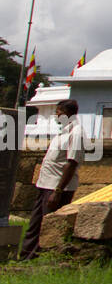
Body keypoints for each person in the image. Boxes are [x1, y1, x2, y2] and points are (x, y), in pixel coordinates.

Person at [20, 99, 85, 260]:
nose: (56, 116)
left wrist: (57, 191)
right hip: (45, 184)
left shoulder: (76, 133)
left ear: (69, 113)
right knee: (35, 223)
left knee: (50, 226)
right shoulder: (63, 132)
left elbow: (71, 164)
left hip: (57, 187)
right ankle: (27, 256)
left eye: (59, 113)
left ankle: (48, 257)